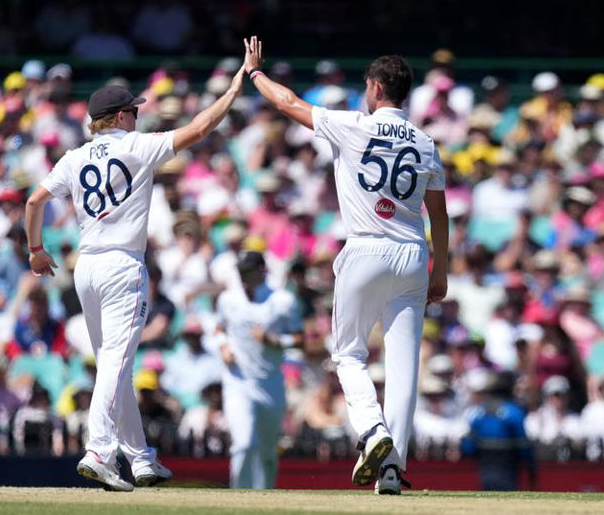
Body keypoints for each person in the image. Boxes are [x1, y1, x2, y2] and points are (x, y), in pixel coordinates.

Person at [24, 61, 246, 490]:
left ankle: (141, 459)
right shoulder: (138, 146)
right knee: (114, 362)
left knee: (117, 365)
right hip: (124, 266)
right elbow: (199, 128)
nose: (138, 116)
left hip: (85, 268)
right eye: (134, 110)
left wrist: (36, 250)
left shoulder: (74, 157)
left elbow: (34, 202)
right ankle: (99, 450)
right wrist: (234, 90)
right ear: (121, 116)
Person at [242, 36, 449, 495]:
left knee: (349, 354)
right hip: (414, 253)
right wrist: (441, 271)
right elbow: (440, 213)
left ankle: (372, 432)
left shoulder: (354, 124)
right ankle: (392, 469)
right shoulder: (426, 141)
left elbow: (289, 102)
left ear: (376, 88)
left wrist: (255, 73)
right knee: (403, 370)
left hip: (366, 248)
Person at [215, 251, 303, 489]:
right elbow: (220, 328)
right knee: (243, 444)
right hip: (238, 382)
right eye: (240, 272)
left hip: (271, 383)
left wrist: (275, 341)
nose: (243, 277)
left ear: (262, 271)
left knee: (267, 452)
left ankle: (264, 500)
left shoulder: (283, 301)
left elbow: (299, 339)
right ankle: (238, 500)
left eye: (248, 272)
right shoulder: (228, 299)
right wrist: (223, 348)